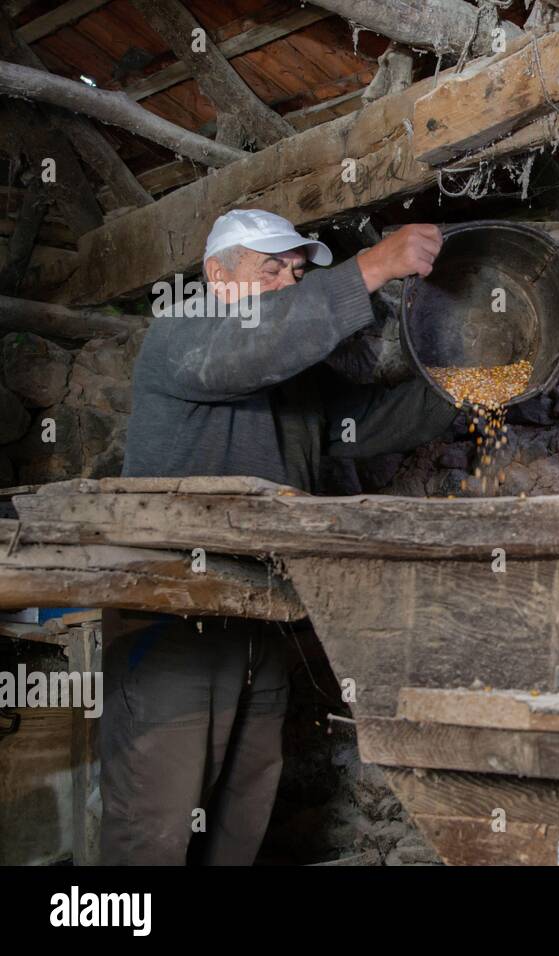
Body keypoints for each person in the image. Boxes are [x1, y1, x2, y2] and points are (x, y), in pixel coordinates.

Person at [102, 209, 454, 864]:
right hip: (174, 623)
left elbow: (369, 425)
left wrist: (465, 387)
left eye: (296, 273)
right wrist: (374, 266)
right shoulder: (179, 334)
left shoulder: (292, 387)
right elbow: (258, 344)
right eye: (273, 269)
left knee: (239, 823)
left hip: (260, 620)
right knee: (153, 832)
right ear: (216, 273)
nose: (290, 283)